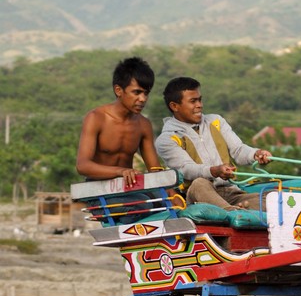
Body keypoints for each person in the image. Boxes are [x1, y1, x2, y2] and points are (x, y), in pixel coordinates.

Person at [156, 76, 272, 210]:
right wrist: (214, 171)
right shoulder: (167, 139)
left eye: (200, 100)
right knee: (199, 183)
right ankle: (232, 212)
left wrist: (256, 154)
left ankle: (233, 210)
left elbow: (238, 150)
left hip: (231, 192)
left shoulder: (216, 121)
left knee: (273, 200)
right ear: (174, 106)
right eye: (193, 101)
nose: (199, 105)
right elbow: (186, 169)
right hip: (199, 195)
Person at [76, 56, 162, 187]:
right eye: (137, 92)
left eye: (146, 93)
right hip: (98, 188)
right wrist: (120, 171)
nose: (143, 99)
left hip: (128, 187)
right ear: (118, 90)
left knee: (166, 204)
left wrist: (171, 194)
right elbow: (82, 166)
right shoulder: (96, 118)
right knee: (144, 203)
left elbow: (155, 169)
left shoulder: (144, 124)